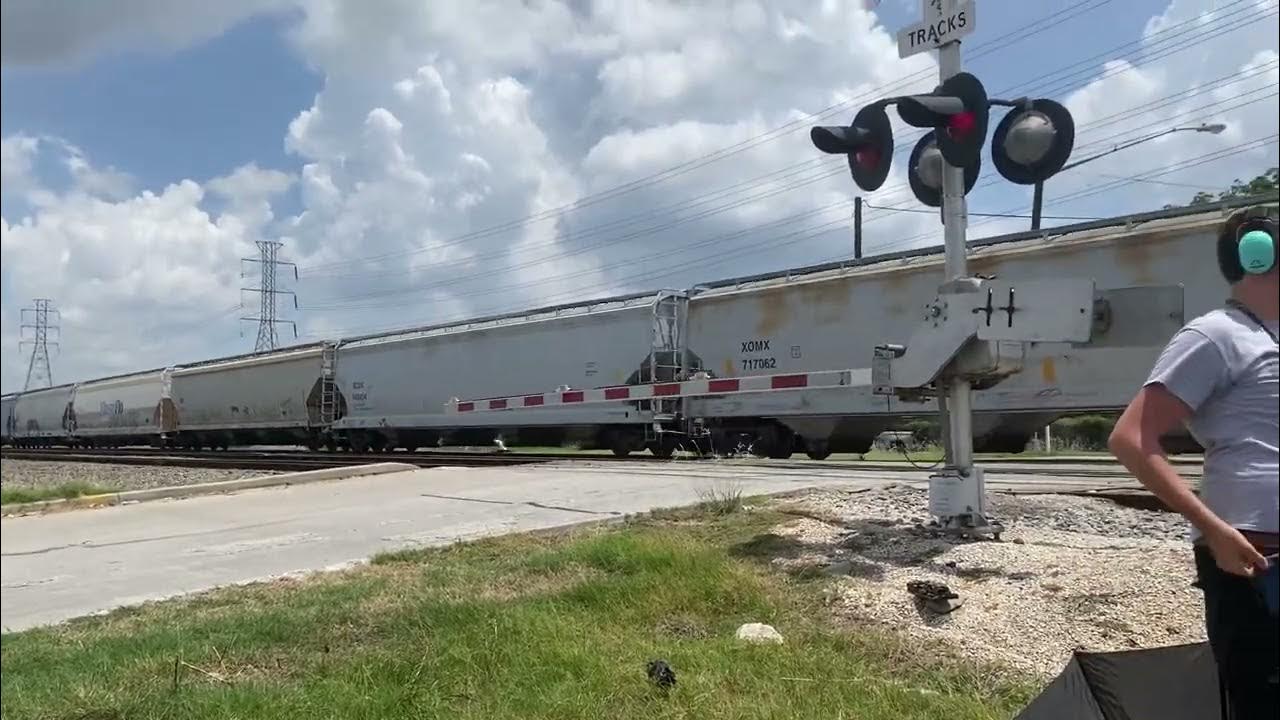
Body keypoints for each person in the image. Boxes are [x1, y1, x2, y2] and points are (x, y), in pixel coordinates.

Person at [1109, 204, 1279, 718]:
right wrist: (1213, 530)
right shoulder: (1215, 336)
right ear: (1258, 254)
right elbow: (1131, 439)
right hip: (1255, 557)